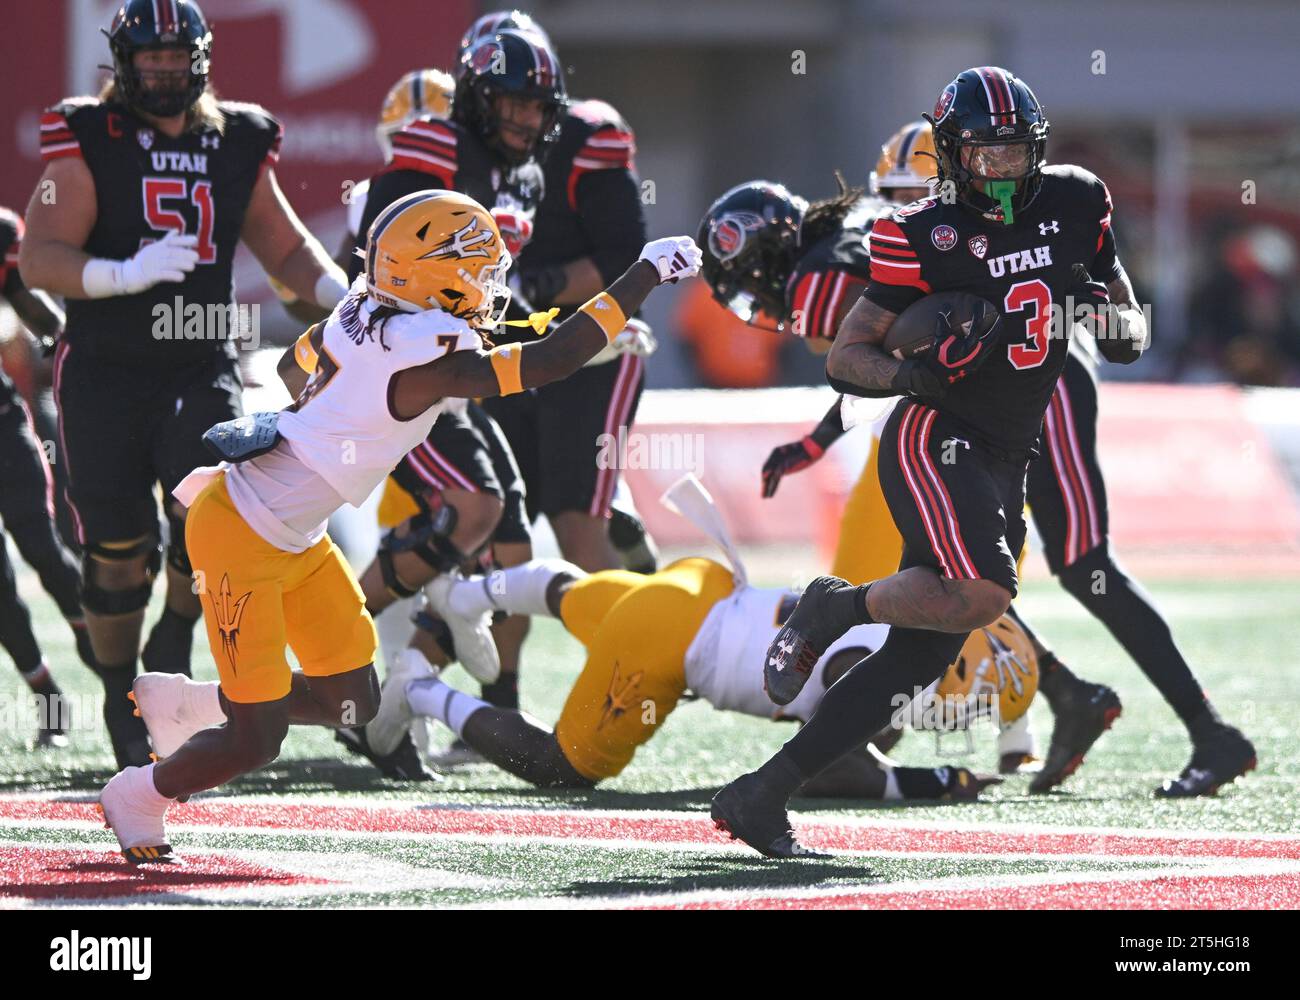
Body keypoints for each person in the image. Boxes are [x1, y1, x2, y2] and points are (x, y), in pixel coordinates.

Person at [97, 187, 702, 864]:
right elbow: (550, 362)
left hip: (290, 532)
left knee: (352, 702)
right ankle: (140, 794)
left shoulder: (368, 306)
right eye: (476, 269)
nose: (489, 285)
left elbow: (295, 361)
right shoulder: (420, 353)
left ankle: (194, 704)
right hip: (238, 532)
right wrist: (645, 272)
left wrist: (337, 405)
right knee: (256, 741)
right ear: (431, 276)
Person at [711, 67, 1162, 858]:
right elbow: (847, 359)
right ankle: (834, 608)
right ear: (951, 157)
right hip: (936, 434)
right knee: (984, 595)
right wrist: (914, 374)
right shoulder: (920, 232)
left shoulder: (1078, 198)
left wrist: (1109, 313)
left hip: (1007, 450)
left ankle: (760, 794)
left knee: (915, 661)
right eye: (984, 155)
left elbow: (1129, 330)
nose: (1002, 170)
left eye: (1016, 152)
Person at [19, 0, 349, 767]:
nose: (164, 74)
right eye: (150, 61)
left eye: (176, 61)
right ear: (123, 62)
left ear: (199, 60)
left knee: (208, 519)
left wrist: (346, 296)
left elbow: (287, 251)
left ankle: (173, 637)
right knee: (116, 547)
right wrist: (122, 272)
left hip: (201, 355)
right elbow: (41, 257)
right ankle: (113, 687)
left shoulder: (237, 136)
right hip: (104, 366)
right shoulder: (86, 132)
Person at [0, 205, 92, 747]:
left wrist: (72, 342)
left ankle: (119, 679)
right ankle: (48, 697)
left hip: (4, 428)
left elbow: (29, 307)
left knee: (46, 553)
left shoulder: (4, 235)